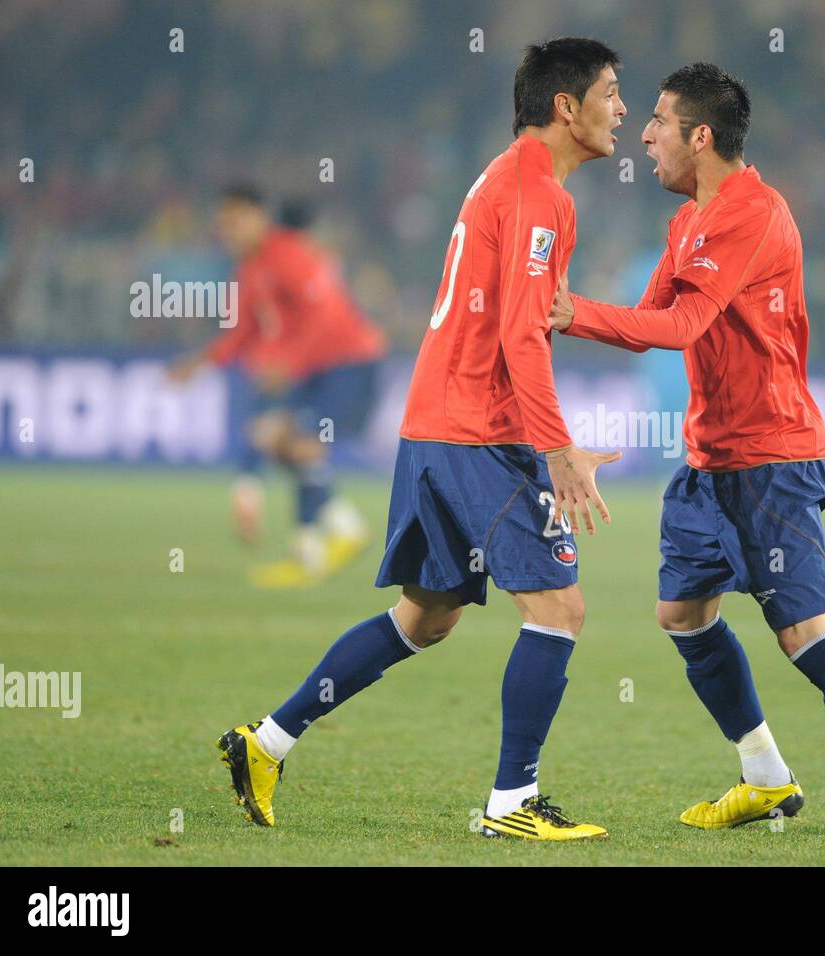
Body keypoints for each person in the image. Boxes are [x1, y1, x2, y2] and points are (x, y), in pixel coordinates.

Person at [217, 37, 626, 841]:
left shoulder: (503, 178)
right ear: (565, 107)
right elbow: (519, 334)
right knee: (560, 610)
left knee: (428, 615)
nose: (623, 110)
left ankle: (266, 742)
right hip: (482, 432)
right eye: (612, 93)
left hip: (434, 423)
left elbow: (522, 315)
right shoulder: (541, 194)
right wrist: (557, 446)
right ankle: (513, 803)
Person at [549, 63, 825, 842]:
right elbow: (646, 321)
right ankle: (766, 776)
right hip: (712, 462)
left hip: (771, 454)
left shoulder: (754, 213)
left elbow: (680, 328)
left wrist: (568, 311)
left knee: (805, 634)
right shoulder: (686, 224)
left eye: (660, 123)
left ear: (700, 136)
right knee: (680, 613)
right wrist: (570, 313)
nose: (643, 134)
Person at [169, 185, 384, 587]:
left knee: (301, 444)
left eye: (235, 221)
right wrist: (198, 363)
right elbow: (241, 333)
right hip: (315, 367)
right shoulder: (249, 271)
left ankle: (311, 550)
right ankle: (335, 533)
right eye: (222, 224)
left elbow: (324, 314)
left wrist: (288, 363)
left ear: (259, 217)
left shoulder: (288, 254)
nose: (227, 231)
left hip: (349, 361)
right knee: (274, 440)